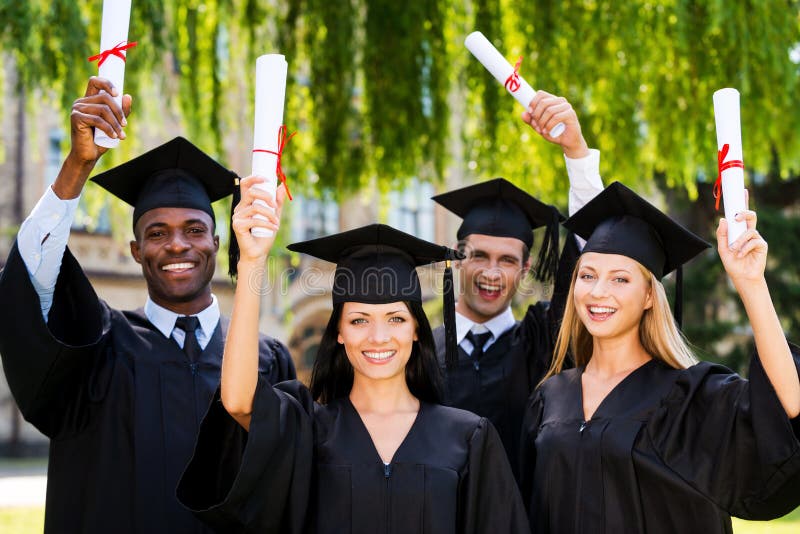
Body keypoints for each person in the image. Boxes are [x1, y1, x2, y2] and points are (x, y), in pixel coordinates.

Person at [0, 77, 295, 534]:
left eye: (194, 230)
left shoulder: (268, 361)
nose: (178, 245)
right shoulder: (97, 351)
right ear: (136, 250)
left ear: (216, 243)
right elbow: (31, 278)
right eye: (156, 233)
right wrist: (78, 166)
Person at [176, 176, 530, 533]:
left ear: (416, 329)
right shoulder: (310, 430)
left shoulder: (467, 438)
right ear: (340, 333)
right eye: (360, 320)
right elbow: (239, 402)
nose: (378, 337)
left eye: (395, 318)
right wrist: (252, 261)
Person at [520, 181, 800, 533]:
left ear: (650, 296)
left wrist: (751, 283)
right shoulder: (549, 397)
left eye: (620, 279)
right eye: (587, 275)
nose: (598, 292)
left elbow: (785, 405)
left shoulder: (685, 397)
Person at [431, 91, 603, 476]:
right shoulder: (417, 350)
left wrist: (576, 154)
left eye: (507, 260)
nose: (492, 273)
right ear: (458, 258)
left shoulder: (543, 344)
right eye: (479, 256)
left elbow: (593, 263)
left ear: (526, 268)